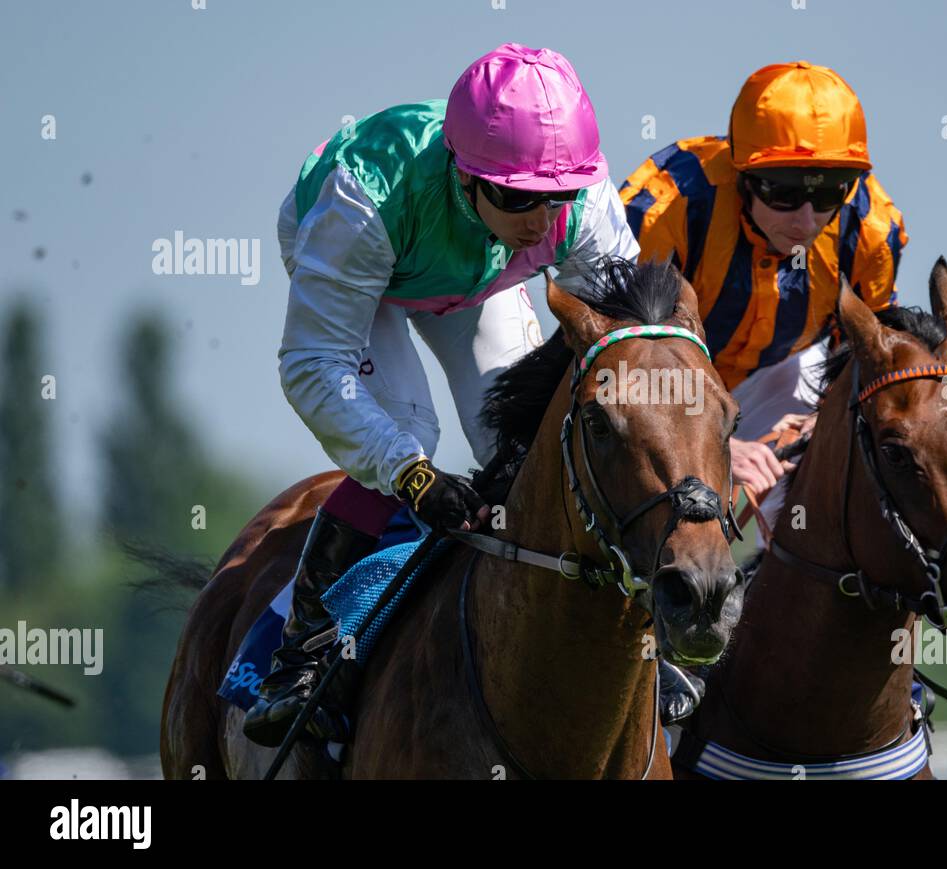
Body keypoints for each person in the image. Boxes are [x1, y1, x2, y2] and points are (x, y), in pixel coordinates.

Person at [243, 43, 639, 749]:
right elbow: (312, 364)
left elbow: (628, 337)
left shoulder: (580, 201)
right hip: (367, 263)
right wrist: (411, 473)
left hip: (474, 278)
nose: (542, 221)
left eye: (556, 199)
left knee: (517, 448)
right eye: (519, 199)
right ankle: (302, 648)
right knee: (409, 432)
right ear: (465, 175)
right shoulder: (364, 200)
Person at [620, 60, 908, 721]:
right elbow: (629, 371)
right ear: (741, 175)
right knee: (669, 491)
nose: (807, 216)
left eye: (831, 189)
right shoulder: (665, 208)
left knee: (835, 488)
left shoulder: (871, 231)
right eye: (782, 191)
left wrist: (805, 438)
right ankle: (647, 650)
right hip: (662, 376)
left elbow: (860, 376)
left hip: (783, 368)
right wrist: (724, 444)